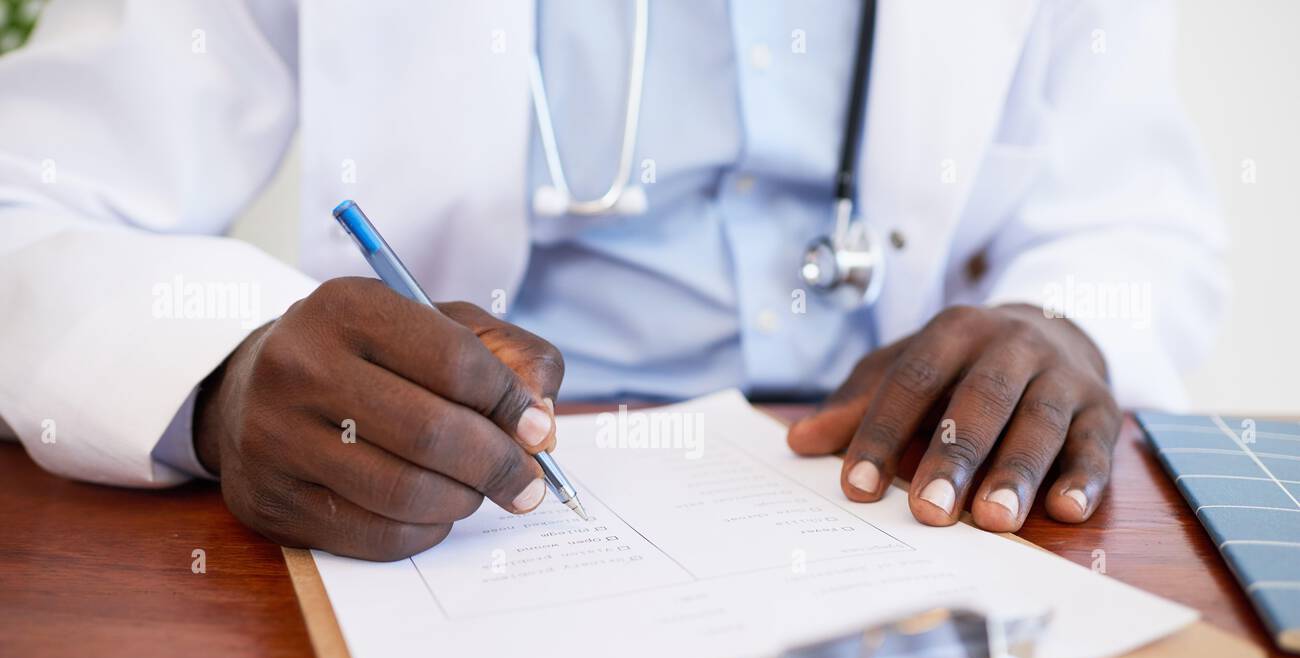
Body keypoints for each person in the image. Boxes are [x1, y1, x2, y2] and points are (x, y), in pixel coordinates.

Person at [0, 0, 1225, 560]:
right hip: (466, 483)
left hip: (891, 486)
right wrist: (223, 370)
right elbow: (29, 192)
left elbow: (1133, 218)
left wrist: (1059, 328)